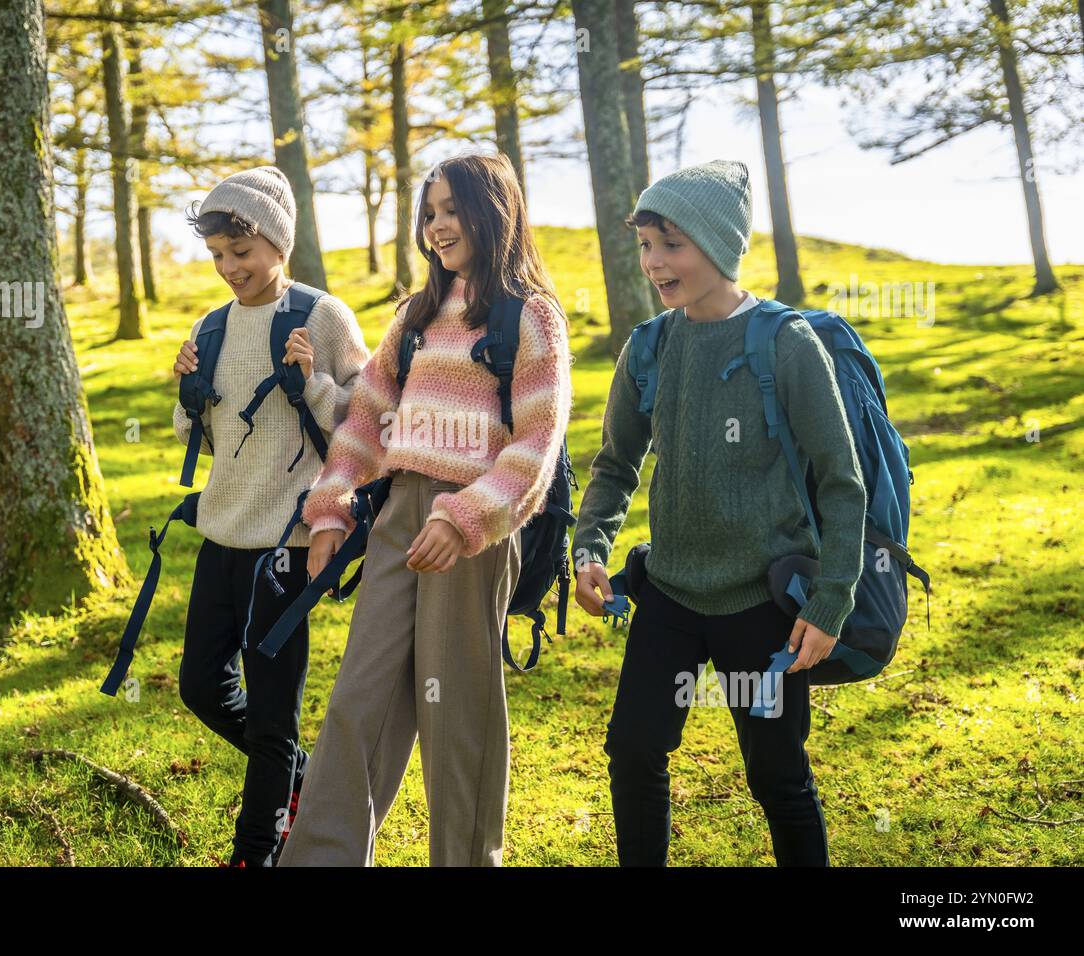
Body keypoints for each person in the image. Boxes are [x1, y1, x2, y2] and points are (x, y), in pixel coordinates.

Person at [277, 153, 573, 866]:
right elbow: (365, 420)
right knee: (359, 699)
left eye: (451, 210)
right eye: (429, 213)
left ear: (493, 213)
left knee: (456, 715)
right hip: (397, 521)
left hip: (473, 531)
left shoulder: (529, 317)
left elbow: (536, 444)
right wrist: (330, 511)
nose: (437, 226)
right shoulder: (414, 315)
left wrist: (463, 518)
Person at [571, 159, 867, 866]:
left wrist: (830, 601)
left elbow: (841, 482)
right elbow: (615, 465)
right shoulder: (649, 346)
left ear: (718, 243)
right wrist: (589, 549)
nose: (653, 262)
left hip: (763, 609)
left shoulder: (784, 343)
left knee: (779, 778)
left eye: (671, 244)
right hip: (669, 594)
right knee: (633, 751)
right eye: (646, 244)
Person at [171, 165, 369, 867]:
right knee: (200, 686)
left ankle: (255, 853)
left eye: (241, 251)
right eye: (217, 255)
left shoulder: (323, 316)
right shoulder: (211, 326)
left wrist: (312, 383)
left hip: (285, 546)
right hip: (221, 535)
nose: (230, 268)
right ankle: (304, 776)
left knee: (273, 715)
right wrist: (188, 391)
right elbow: (200, 436)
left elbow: (367, 421)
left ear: (278, 244)